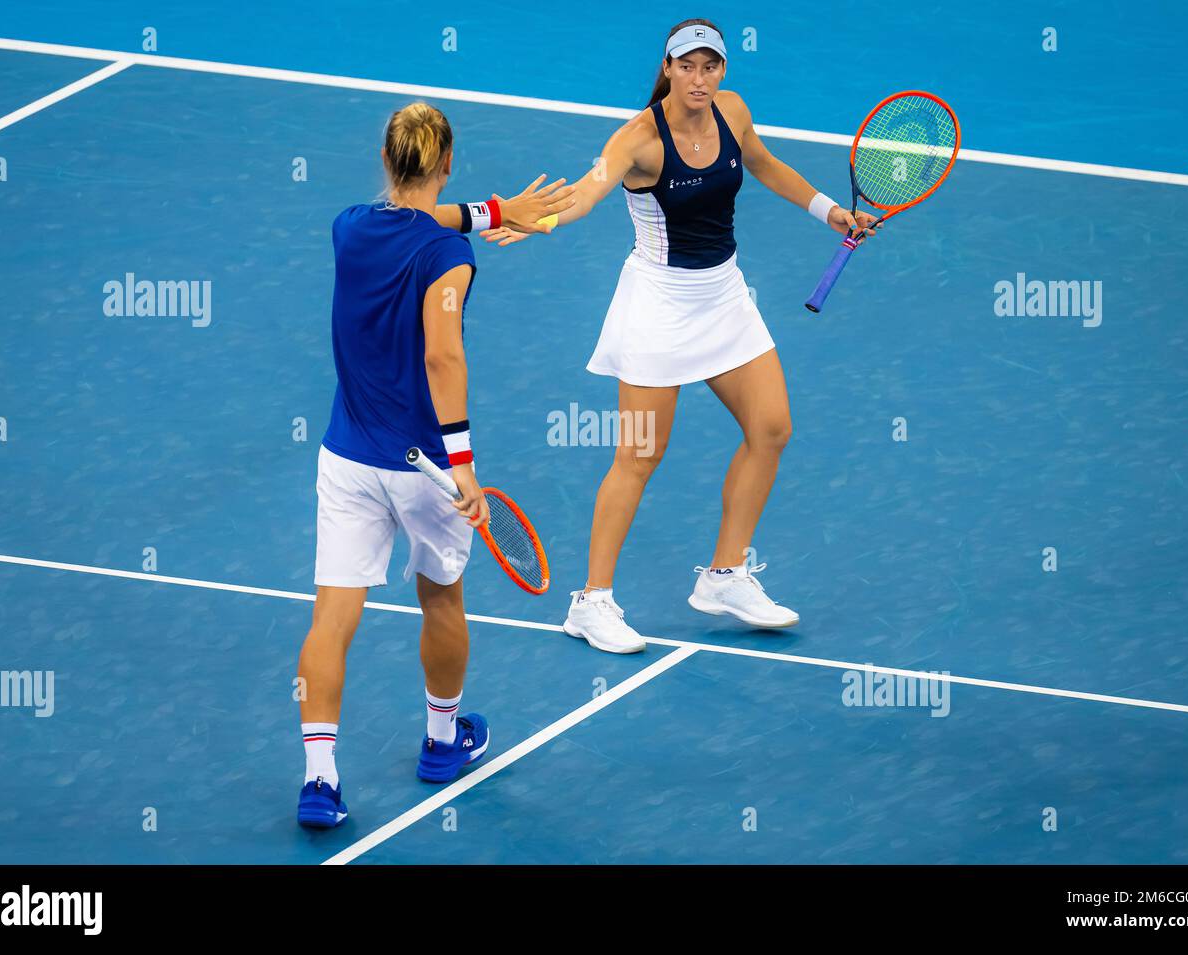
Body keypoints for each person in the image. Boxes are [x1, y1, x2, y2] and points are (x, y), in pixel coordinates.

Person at [482, 19, 877, 654]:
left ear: (723, 71)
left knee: (772, 428)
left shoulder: (733, 113)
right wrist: (540, 218)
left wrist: (829, 210)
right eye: (687, 66)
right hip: (658, 309)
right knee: (639, 456)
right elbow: (588, 192)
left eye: (710, 67)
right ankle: (592, 602)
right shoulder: (639, 139)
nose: (699, 78)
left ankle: (725, 576)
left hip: (724, 296)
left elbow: (767, 166)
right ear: (667, 68)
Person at [296, 102, 574, 827]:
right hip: (428, 471)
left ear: (387, 162)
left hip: (347, 460)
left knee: (332, 619)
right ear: (446, 163)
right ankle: (442, 742)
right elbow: (442, 353)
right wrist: (465, 467)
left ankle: (319, 780)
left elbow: (419, 220)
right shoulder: (449, 256)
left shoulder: (349, 229)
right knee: (441, 598)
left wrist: (491, 212)